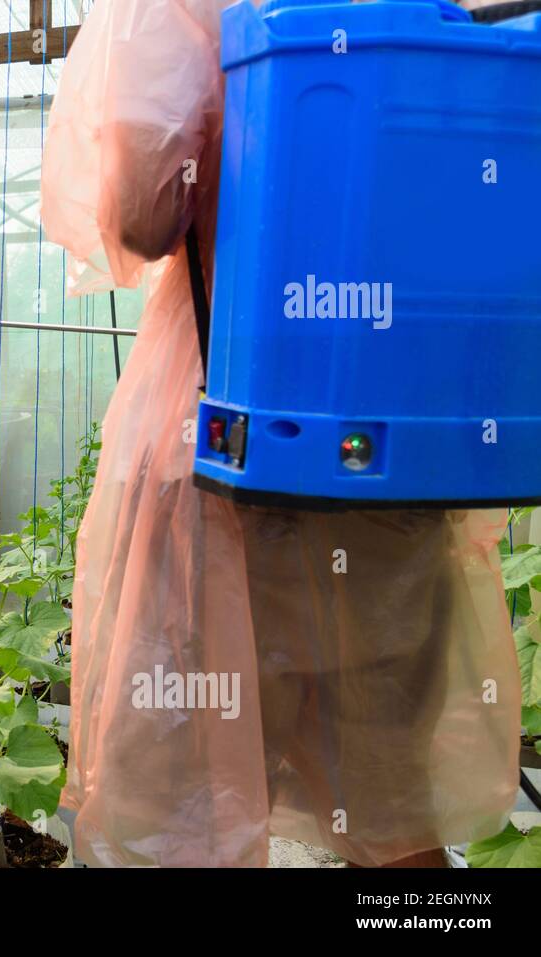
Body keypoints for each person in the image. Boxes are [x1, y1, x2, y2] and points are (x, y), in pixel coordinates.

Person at [41, 0, 521, 867]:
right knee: (390, 804)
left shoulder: (178, 6)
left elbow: (141, 215)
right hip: (388, 448)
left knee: (197, 810)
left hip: (228, 441)